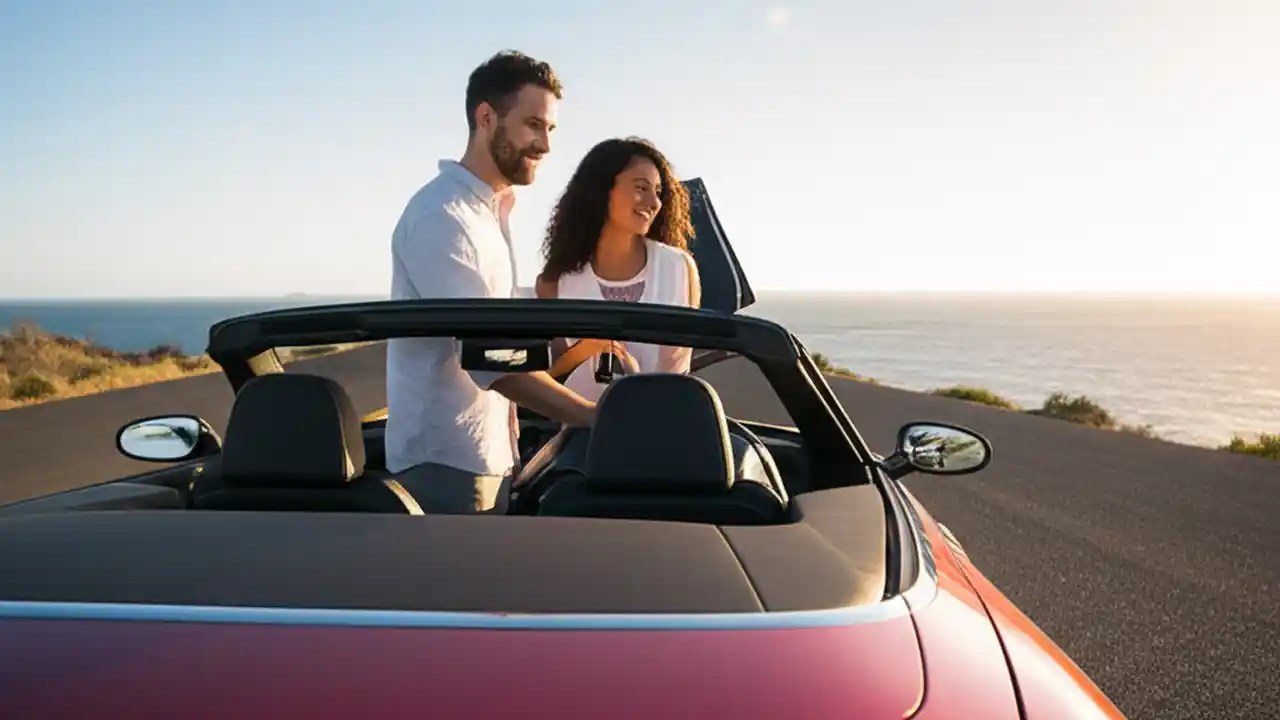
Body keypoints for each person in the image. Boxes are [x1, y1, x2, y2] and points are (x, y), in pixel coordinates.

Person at [384, 50, 596, 514]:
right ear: (486, 117)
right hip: (446, 465)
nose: (545, 144)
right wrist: (593, 417)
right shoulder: (441, 217)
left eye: (551, 129)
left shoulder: (488, 213)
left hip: (485, 459)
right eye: (533, 125)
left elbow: (497, 335)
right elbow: (490, 358)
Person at [534, 137, 702, 402]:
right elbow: (547, 376)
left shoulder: (679, 268)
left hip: (661, 425)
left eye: (658, 192)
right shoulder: (555, 281)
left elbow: (679, 370)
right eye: (641, 188)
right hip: (583, 432)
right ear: (602, 189)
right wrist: (586, 349)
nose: (654, 202)